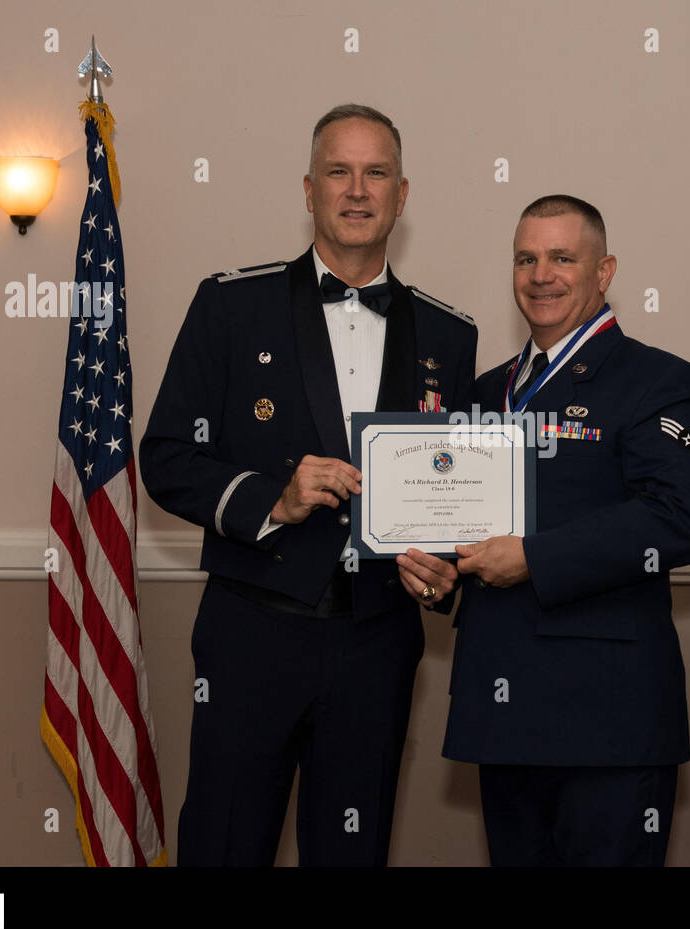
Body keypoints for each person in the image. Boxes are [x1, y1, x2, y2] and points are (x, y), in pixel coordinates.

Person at [139, 104, 477, 866]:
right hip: (251, 631)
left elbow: (452, 488)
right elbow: (165, 457)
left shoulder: (450, 336)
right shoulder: (231, 304)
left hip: (379, 643)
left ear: (403, 193)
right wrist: (274, 500)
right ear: (308, 188)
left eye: (376, 173)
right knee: (225, 846)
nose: (358, 191)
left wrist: (441, 568)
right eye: (339, 171)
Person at [417, 195, 690, 865]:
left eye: (561, 257)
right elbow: (458, 524)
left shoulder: (659, 380)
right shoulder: (483, 391)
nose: (540, 274)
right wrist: (434, 572)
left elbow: (680, 520)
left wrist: (534, 558)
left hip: (607, 719)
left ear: (603, 270)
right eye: (526, 258)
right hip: (502, 712)